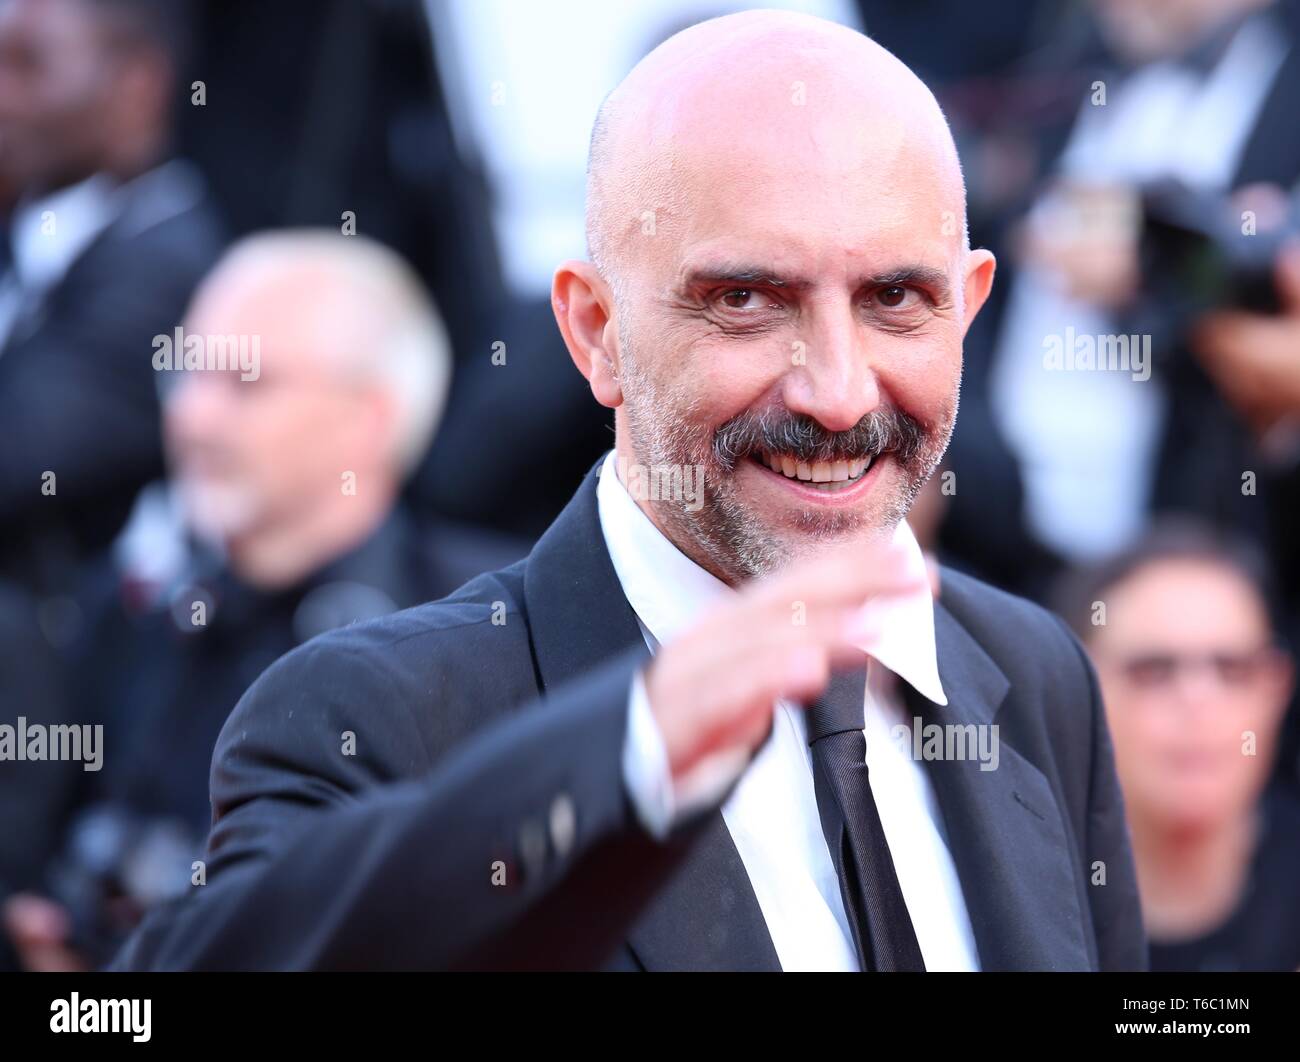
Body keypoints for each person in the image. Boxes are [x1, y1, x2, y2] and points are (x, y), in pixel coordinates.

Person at [113, 10, 1145, 972]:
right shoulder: (375, 711)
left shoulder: (1030, 673)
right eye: (745, 300)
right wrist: (636, 749)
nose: (835, 393)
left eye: (894, 299)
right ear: (595, 333)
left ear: (966, 310)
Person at [2, 232, 526, 971]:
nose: (194, 419)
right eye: (185, 376)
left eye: (246, 385)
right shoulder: (110, 613)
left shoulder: (486, 635)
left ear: (368, 419)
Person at [0, 0, 224, 597]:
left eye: (28, 66)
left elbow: (19, 453)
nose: (4, 95)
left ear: (137, 86)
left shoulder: (164, 270)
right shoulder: (40, 228)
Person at [1058, 523, 1300, 971]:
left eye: (1232, 669)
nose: (1198, 703)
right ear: (1076, 690)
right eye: (1154, 671)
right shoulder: (1017, 907)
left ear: (1276, 690)